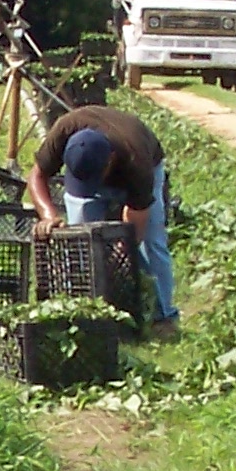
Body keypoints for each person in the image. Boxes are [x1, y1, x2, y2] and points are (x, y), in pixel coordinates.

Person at [27, 99, 175, 325]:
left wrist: (121, 254)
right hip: (96, 155)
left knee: (151, 244)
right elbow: (36, 176)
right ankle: (86, 309)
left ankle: (163, 316)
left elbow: (136, 222)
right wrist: (48, 215)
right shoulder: (64, 130)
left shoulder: (137, 161)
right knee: (80, 243)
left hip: (145, 162)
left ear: (110, 160)